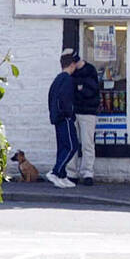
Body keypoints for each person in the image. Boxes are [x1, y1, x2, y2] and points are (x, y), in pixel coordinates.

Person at [66, 49, 100, 185]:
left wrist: (79, 88)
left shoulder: (90, 70)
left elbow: (91, 91)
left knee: (87, 143)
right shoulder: (72, 72)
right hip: (75, 111)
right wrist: (79, 87)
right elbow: (72, 89)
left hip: (88, 112)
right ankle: (71, 173)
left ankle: (87, 173)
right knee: (73, 143)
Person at [46, 52, 80, 188]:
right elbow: (66, 99)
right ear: (71, 65)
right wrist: (69, 113)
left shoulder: (57, 79)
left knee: (62, 147)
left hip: (56, 117)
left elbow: (50, 97)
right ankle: (55, 172)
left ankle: (62, 175)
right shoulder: (67, 79)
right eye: (74, 65)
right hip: (64, 117)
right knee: (72, 146)